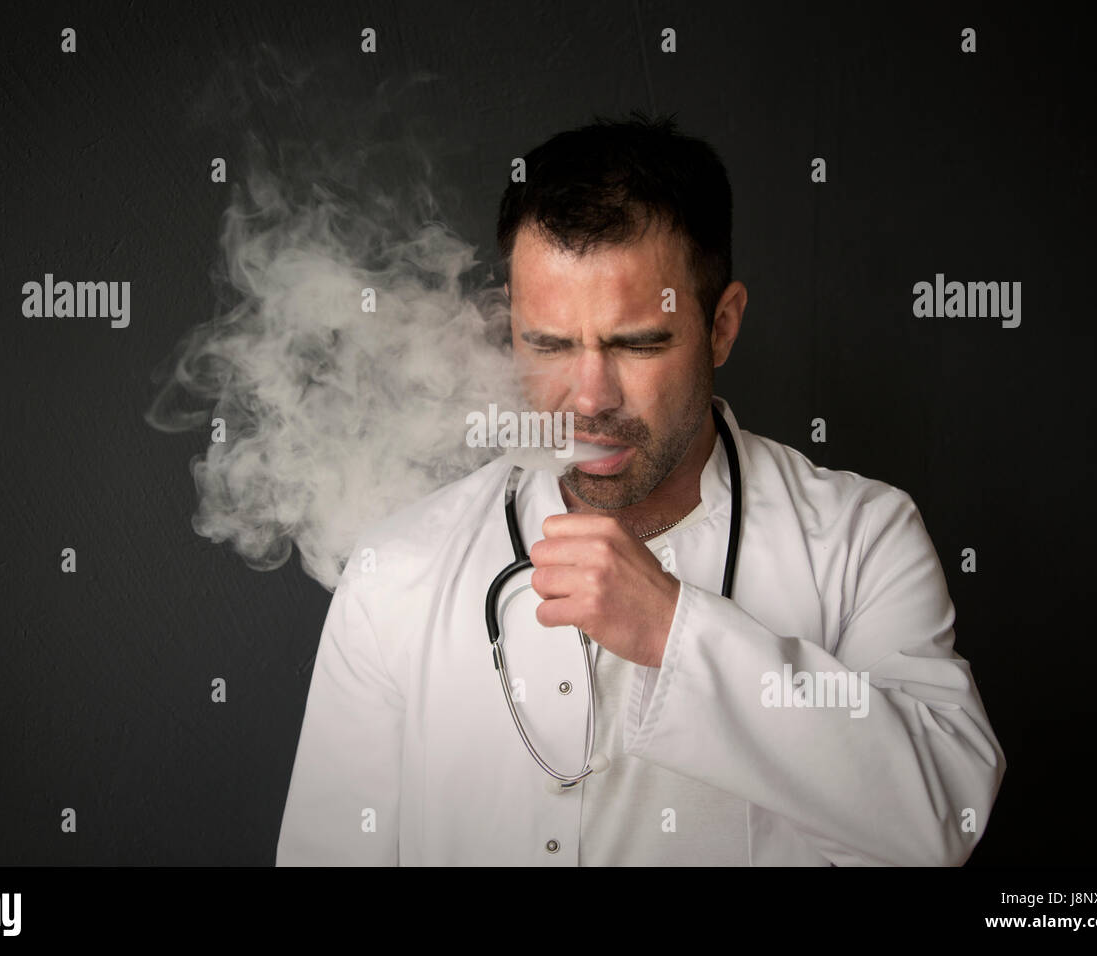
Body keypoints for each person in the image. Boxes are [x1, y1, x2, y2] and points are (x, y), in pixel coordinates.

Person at [276, 112, 1006, 866]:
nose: (589, 399)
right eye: (549, 344)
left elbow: (942, 819)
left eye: (637, 343)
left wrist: (677, 632)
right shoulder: (396, 569)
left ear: (721, 327)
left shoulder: (860, 538)